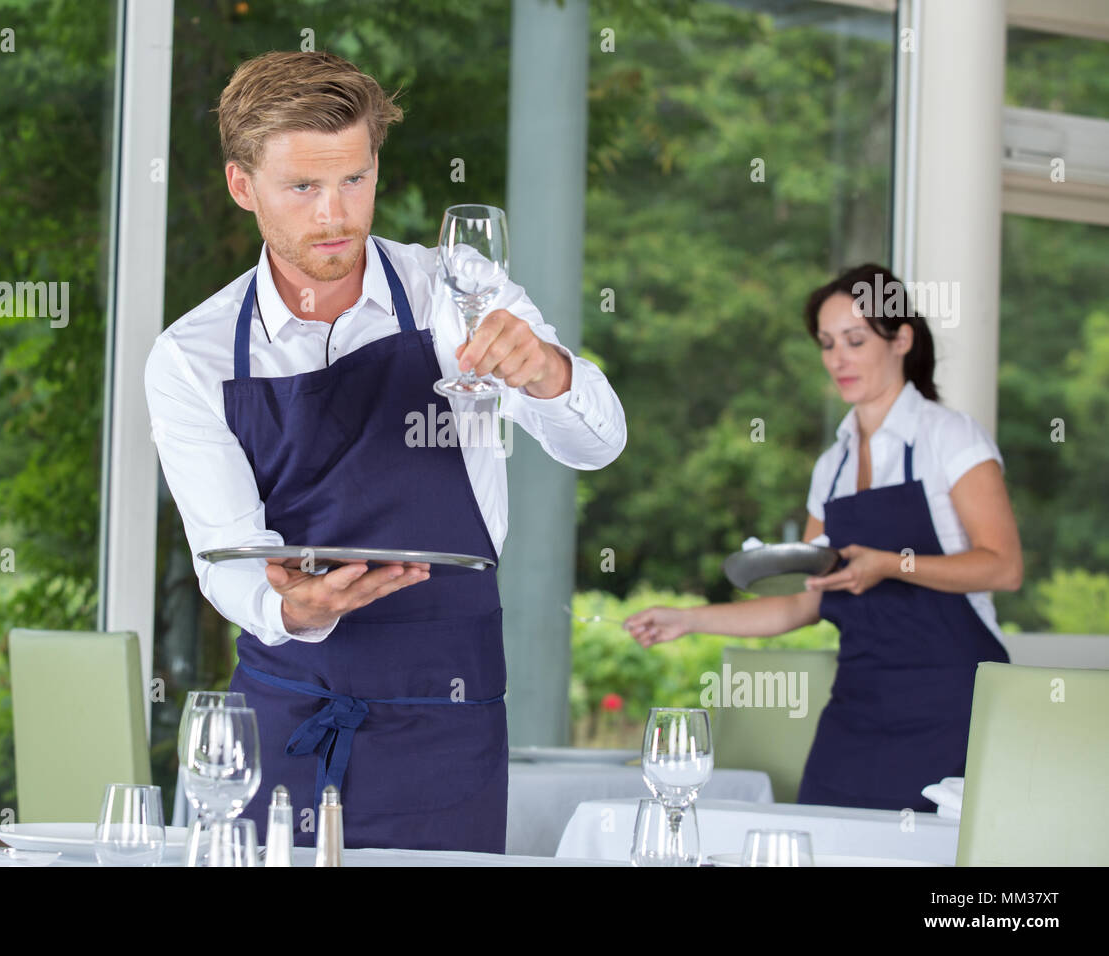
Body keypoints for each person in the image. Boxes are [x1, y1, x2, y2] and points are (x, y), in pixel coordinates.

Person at [145, 50, 626, 852]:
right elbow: (225, 553)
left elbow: (599, 444)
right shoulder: (193, 355)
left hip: (449, 706)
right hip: (286, 704)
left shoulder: (458, 291)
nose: (335, 214)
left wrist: (546, 370)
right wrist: (288, 609)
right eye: (303, 187)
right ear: (243, 186)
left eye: (355, 180)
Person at [625, 263, 1022, 812]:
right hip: (860, 707)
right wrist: (687, 619)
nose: (838, 358)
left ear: (901, 339)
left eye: (855, 340)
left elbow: (1003, 566)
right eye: (827, 343)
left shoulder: (949, 437)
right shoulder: (831, 466)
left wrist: (891, 565)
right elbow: (804, 603)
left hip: (953, 704)